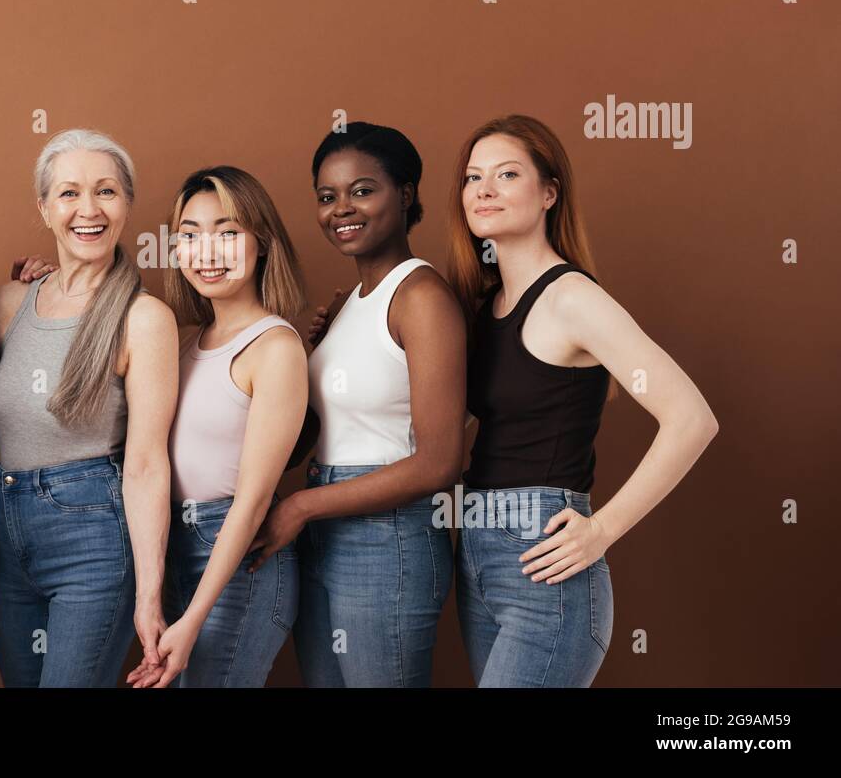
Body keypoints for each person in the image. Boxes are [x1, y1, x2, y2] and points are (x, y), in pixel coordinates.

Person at [446, 114, 719, 686]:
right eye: (473, 177)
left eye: (506, 174)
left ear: (549, 193)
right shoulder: (487, 304)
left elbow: (691, 419)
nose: (484, 190)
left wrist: (601, 531)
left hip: (543, 561)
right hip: (476, 553)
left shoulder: (571, 298)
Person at [252, 122, 467, 687]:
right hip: (325, 528)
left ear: (406, 193)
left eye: (362, 190)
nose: (341, 208)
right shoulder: (349, 302)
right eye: (327, 197)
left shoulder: (421, 297)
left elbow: (440, 463)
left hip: (386, 538)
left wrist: (300, 508)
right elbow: (312, 428)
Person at [0, 128, 179, 686]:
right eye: (68, 193)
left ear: (127, 204)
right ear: (44, 208)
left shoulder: (144, 318)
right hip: (5, 525)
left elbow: (145, 464)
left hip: (92, 535)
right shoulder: (9, 303)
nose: (87, 210)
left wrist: (149, 594)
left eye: (106, 192)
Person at [127, 166, 307, 687]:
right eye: (189, 235)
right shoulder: (180, 339)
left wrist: (194, 618)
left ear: (263, 243)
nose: (207, 252)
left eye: (227, 232)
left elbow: (253, 499)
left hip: (234, 559)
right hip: (171, 545)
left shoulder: (276, 347)